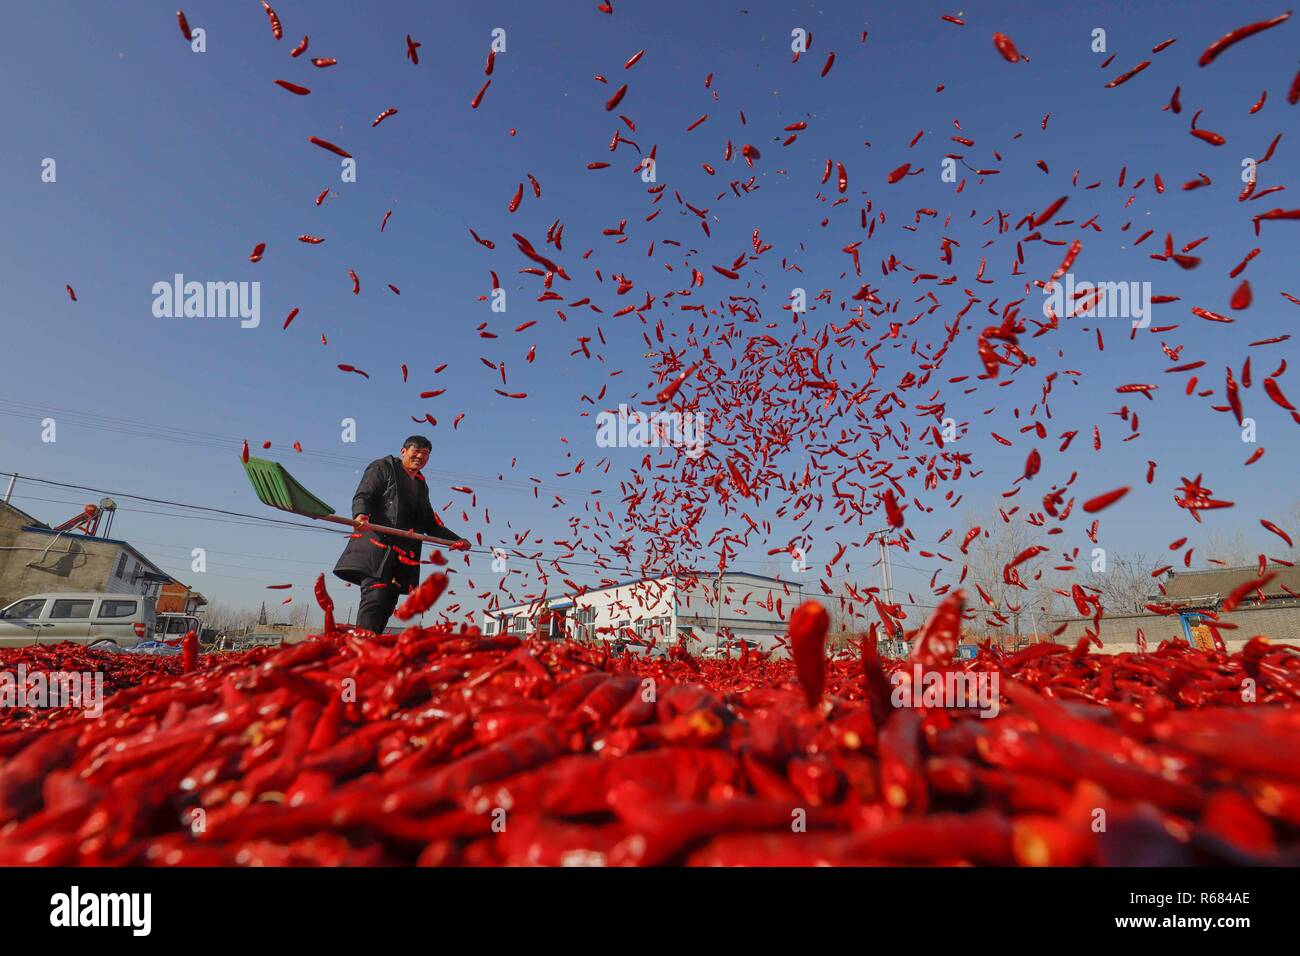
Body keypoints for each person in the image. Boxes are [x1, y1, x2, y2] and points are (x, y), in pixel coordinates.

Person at [333, 436, 466, 634]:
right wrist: (361, 515)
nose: (420, 456)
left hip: (401, 556)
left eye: (426, 454)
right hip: (377, 548)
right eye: (416, 450)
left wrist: (456, 540)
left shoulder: (421, 485)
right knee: (375, 599)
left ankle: (371, 648)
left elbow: (428, 522)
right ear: (403, 451)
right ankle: (360, 650)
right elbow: (364, 495)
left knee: (387, 603)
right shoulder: (383, 467)